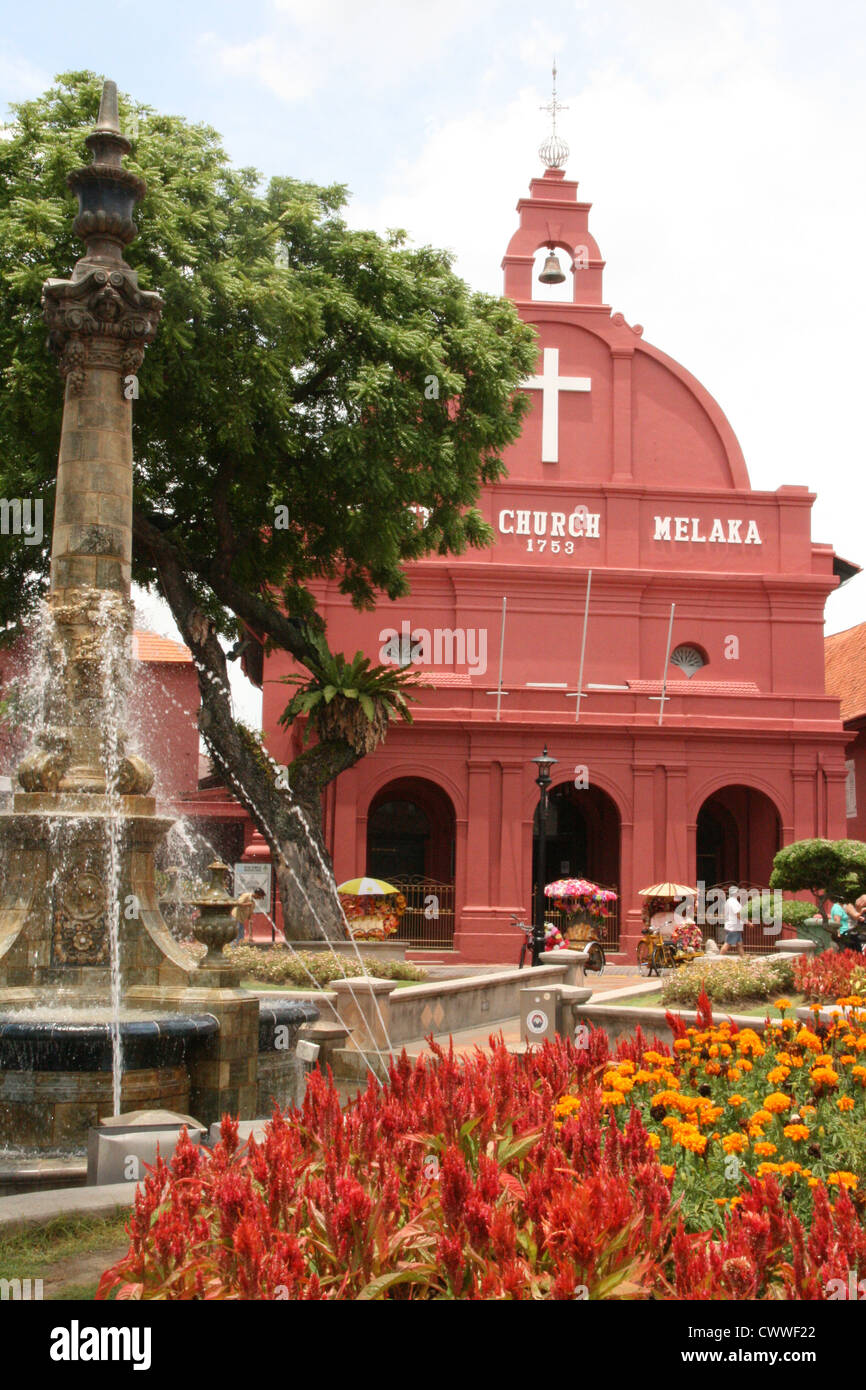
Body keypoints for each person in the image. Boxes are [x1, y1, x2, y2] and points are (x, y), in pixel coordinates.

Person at [720, 884, 744, 957]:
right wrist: (747, 922)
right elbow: (738, 914)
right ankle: (719, 958)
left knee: (739, 944)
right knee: (728, 943)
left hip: (734, 927)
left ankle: (744, 959)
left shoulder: (729, 901)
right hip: (733, 927)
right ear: (735, 893)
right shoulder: (733, 902)